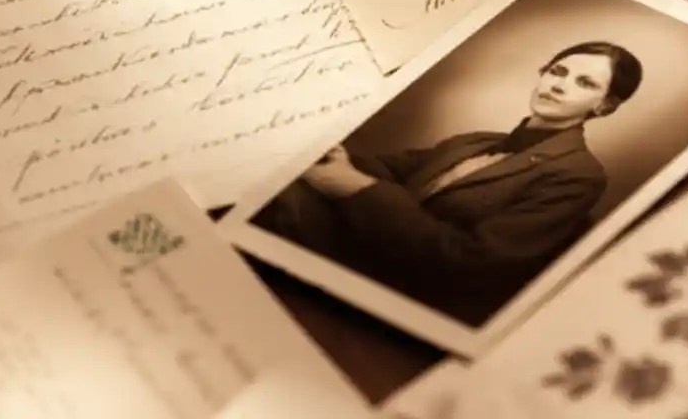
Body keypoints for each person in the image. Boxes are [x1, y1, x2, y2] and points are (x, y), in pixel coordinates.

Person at [252, 41, 643, 327]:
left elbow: (469, 262)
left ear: (604, 106)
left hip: (404, 292)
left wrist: (354, 186)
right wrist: (327, 152)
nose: (559, 85)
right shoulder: (476, 141)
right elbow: (389, 168)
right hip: (364, 246)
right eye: (557, 71)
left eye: (584, 83)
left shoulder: (579, 175)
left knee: (278, 198)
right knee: (277, 171)